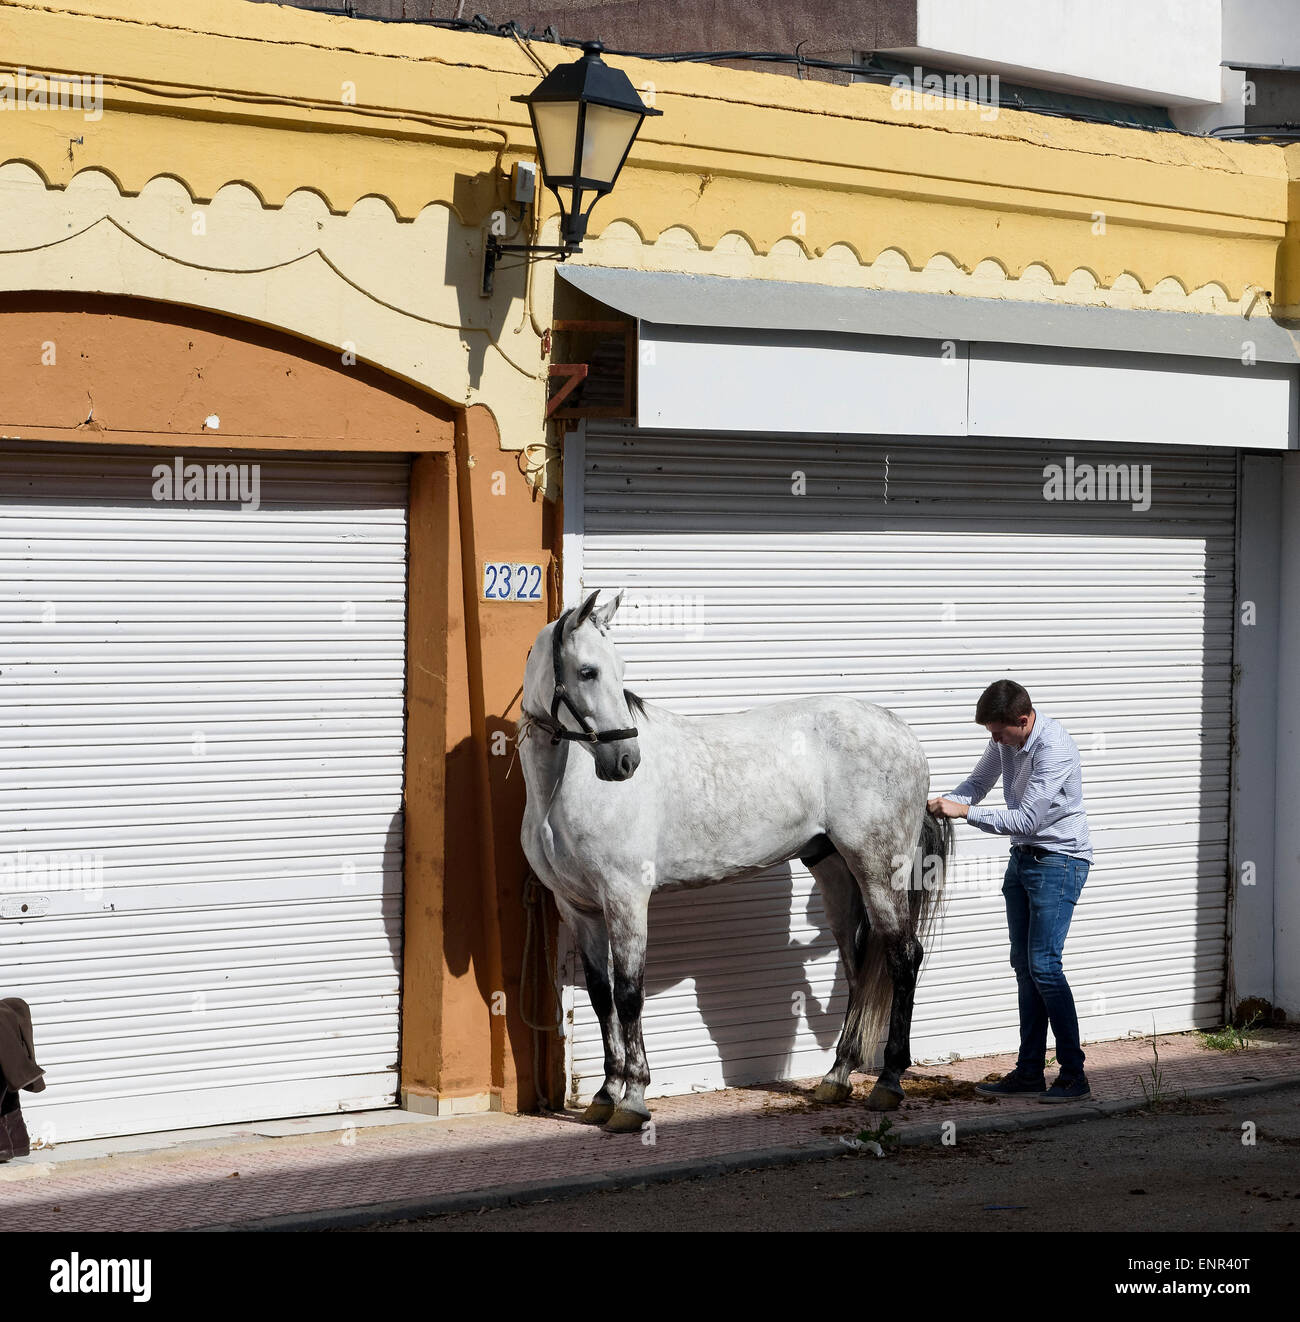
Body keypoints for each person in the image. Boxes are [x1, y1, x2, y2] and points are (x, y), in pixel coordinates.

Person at [928, 679, 1093, 1103]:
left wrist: (963, 813)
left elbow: (1026, 820)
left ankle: (1074, 1076)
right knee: (1025, 966)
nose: (995, 741)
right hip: (1023, 861)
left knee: (1045, 966)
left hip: (1059, 862)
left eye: (999, 732)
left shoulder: (1054, 748)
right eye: (991, 734)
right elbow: (975, 784)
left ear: (1023, 720)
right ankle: (1029, 1072)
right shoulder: (1006, 742)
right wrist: (937, 803)